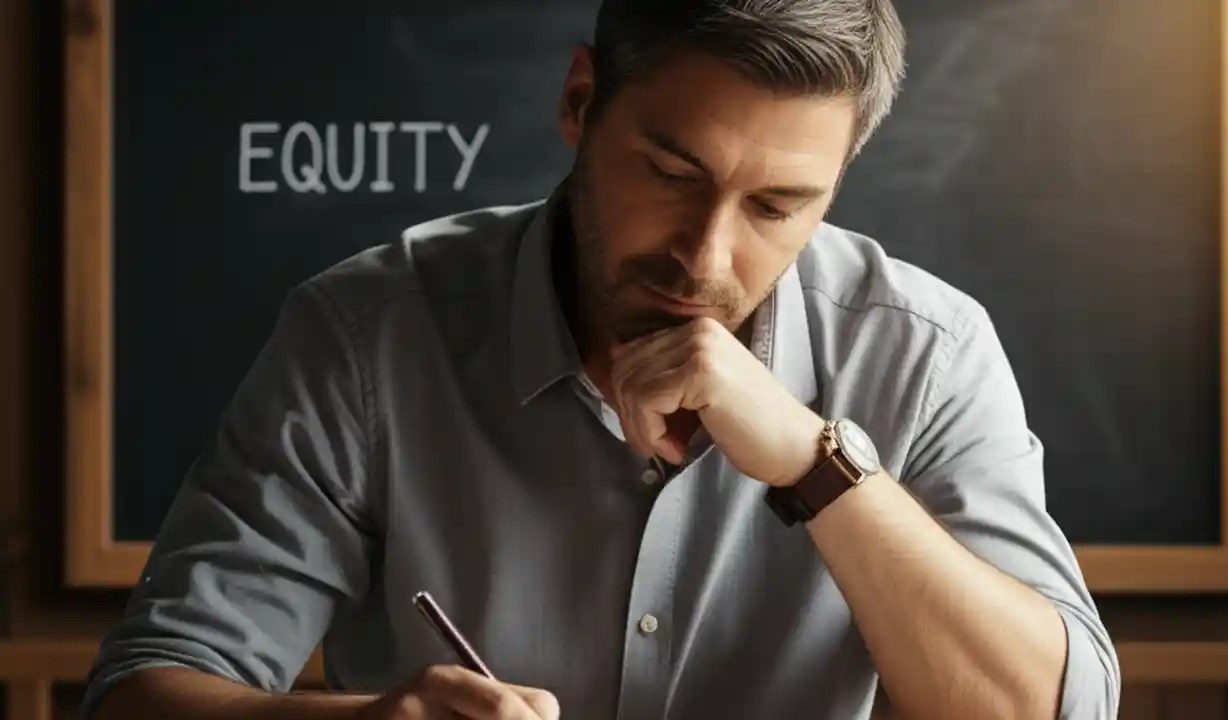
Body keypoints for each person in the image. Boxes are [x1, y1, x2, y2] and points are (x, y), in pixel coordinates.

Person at [82, 1, 1120, 718]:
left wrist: (817, 464)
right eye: (669, 174)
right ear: (580, 102)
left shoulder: (925, 355)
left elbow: (1041, 707)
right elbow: (144, 691)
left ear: (838, 180)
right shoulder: (366, 336)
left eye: (774, 206)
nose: (705, 258)